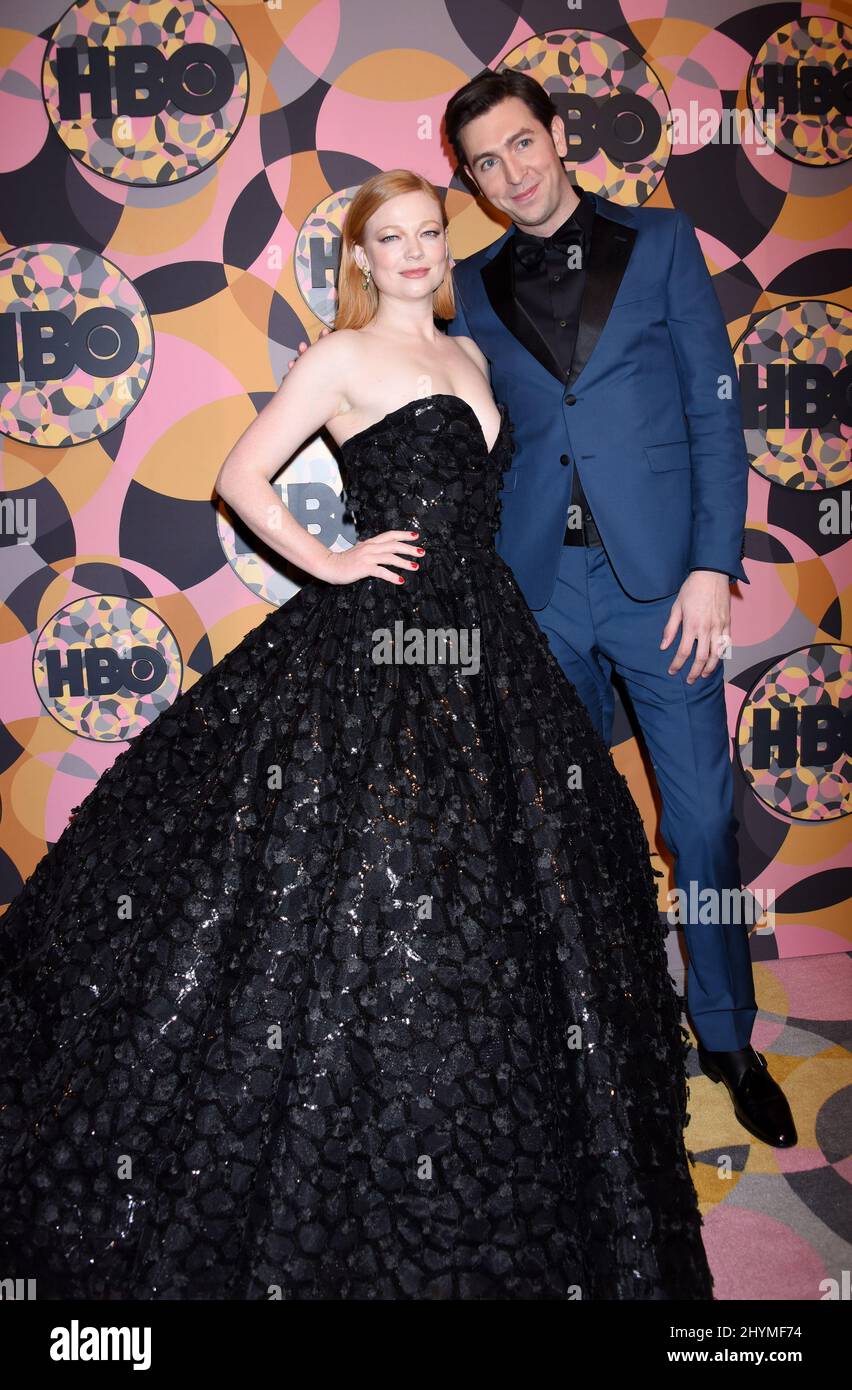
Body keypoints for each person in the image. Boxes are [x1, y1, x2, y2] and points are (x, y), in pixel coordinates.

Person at [0, 168, 714, 1301]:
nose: (421, 252)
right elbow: (242, 478)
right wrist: (333, 559)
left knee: (508, 883)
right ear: (363, 258)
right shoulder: (337, 360)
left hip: (492, 642)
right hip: (383, 644)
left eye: (433, 232)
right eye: (395, 238)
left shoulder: (474, 356)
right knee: (370, 869)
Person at [440, 68, 795, 1149]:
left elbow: (711, 408)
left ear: (557, 131)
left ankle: (727, 1037)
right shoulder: (471, 279)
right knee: (552, 829)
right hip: (540, 591)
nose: (511, 173)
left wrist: (708, 565)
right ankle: (588, 1030)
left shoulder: (665, 242)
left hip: (661, 589)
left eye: (520, 144)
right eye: (484, 164)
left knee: (696, 822)